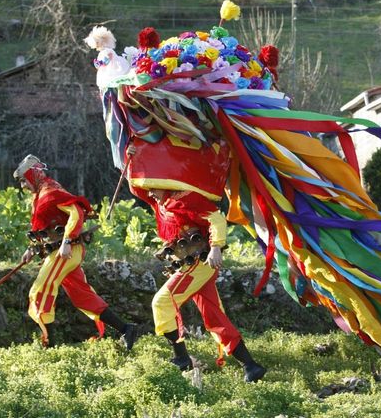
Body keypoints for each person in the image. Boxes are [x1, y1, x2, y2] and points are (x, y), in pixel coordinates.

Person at [126, 144, 266, 382]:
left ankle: (181, 358)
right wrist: (131, 162)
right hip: (189, 264)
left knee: (162, 302)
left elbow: (216, 218)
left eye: (152, 184)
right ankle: (251, 366)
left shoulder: (186, 198)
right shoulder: (159, 201)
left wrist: (215, 247)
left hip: (200, 264)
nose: (148, 191)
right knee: (214, 317)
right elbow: (137, 189)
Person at [14, 154, 137, 349]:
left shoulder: (51, 191)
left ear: (33, 175)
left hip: (65, 252)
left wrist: (67, 241)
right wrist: (32, 248)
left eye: (24, 180)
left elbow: (76, 212)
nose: (23, 186)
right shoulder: (39, 195)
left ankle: (49, 345)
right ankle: (126, 329)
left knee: (40, 290)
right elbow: (43, 227)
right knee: (83, 297)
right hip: (60, 251)